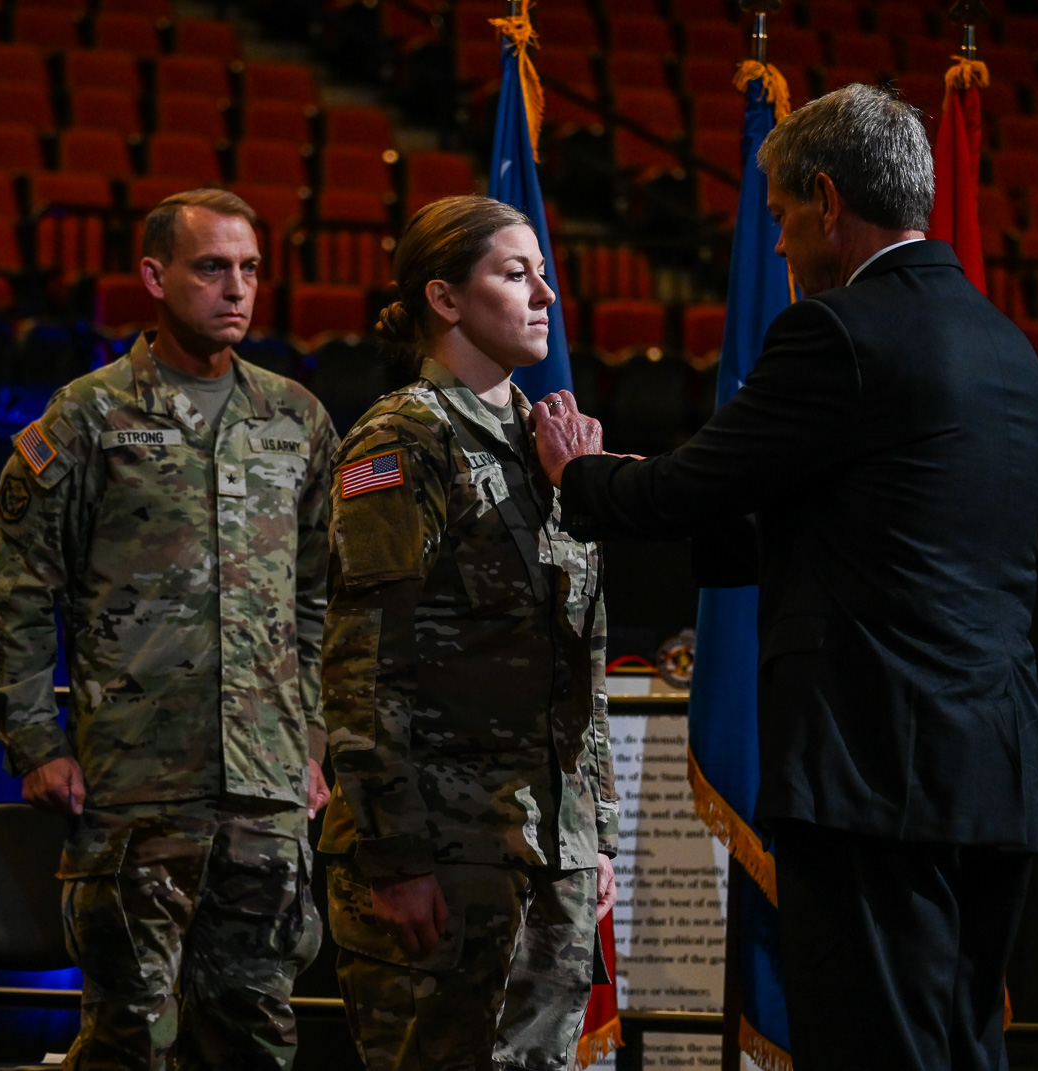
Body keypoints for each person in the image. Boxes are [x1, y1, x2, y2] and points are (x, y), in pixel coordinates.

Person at [532, 84, 1038, 1071]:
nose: (775, 250)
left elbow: (694, 486)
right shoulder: (1009, 348)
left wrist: (578, 474)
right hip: (996, 774)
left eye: (777, 220)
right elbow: (877, 535)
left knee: (870, 1052)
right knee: (960, 1050)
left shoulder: (842, 332)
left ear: (825, 199)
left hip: (874, 776)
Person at [0, 188, 338, 1071]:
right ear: (154, 276)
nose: (236, 288)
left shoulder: (296, 420)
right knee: (130, 1039)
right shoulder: (89, 416)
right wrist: (33, 742)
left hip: (267, 795)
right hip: (133, 789)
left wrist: (317, 741)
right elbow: (17, 591)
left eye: (250, 269)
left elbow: (322, 602)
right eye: (212, 267)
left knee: (256, 1036)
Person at [318, 195, 620, 1071]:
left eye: (544, 274)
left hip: (546, 852)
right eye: (515, 273)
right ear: (445, 299)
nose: (546, 295)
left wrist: (593, 834)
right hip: (444, 857)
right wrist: (396, 853)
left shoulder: (549, 441)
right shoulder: (406, 436)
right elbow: (364, 665)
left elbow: (580, 654)